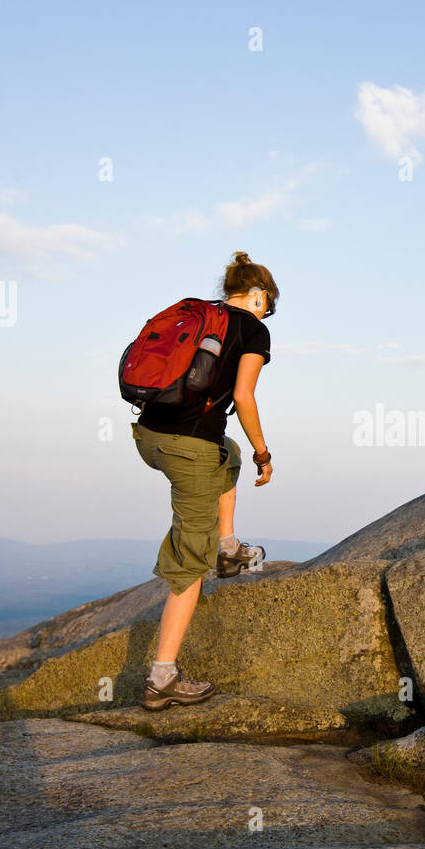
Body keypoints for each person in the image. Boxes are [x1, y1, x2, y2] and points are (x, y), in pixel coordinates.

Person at [131, 251, 276, 710]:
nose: (269, 312)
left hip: (149, 436)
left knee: (225, 454)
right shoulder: (252, 329)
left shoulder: (202, 316)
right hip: (187, 448)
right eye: (269, 304)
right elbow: (243, 396)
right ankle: (161, 679)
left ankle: (228, 547)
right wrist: (263, 451)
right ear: (257, 294)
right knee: (189, 566)